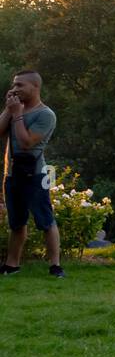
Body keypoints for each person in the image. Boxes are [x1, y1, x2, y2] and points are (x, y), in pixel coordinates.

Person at [1, 70, 63, 277]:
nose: (15, 89)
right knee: (16, 222)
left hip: (39, 174)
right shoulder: (14, 109)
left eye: (20, 85)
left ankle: (55, 266)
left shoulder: (46, 114)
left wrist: (16, 114)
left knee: (45, 219)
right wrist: (9, 110)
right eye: (14, 85)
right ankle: (12, 265)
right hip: (12, 174)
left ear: (35, 87)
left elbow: (27, 143)